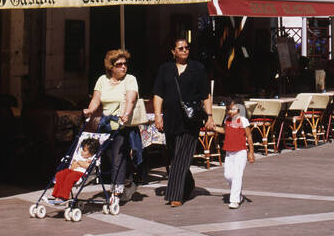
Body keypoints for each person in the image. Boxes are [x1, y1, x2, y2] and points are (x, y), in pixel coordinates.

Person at [152, 36, 214, 206]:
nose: (185, 50)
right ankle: (188, 184)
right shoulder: (165, 69)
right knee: (174, 155)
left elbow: (205, 95)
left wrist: (209, 116)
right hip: (170, 119)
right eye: (180, 48)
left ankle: (175, 195)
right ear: (173, 51)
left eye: (187, 47)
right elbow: (158, 94)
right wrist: (157, 115)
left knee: (181, 157)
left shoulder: (198, 68)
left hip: (191, 120)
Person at [83, 48, 139, 197]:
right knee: (108, 158)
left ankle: (117, 192)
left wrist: (126, 113)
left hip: (122, 125)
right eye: (119, 64)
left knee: (117, 159)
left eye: (125, 64)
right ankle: (128, 180)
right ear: (111, 67)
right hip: (105, 124)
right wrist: (90, 110)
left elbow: (130, 99)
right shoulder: (102, 80)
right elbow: (96, 99)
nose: (123, 67)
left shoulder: (130, 79)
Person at [221, 98, 255, 209]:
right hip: (229, 152)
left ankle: (234, 200)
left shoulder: (243, 120)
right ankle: (238, 194)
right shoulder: (227, 120)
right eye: (228, 109)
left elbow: (249, 136)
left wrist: (251, 152)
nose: (230, 112)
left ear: (239, 109)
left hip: (241, 152)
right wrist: (213, 127)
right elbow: (224, 131)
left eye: (232, 109)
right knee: (228, 175)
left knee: (237, 176)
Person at [52, 137, 101, 201]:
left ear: (91, 153)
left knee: (70, 177)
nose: (82, 152)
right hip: (72, 171)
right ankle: (56, 195)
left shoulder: (93, 158)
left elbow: (88, 167)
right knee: (60, 174)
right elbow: (72, 167)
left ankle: (63, 197)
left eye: (84, 151)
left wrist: (79, 162)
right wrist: (82, 163)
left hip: (82, 174)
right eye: (82, 149)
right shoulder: (79, 156)